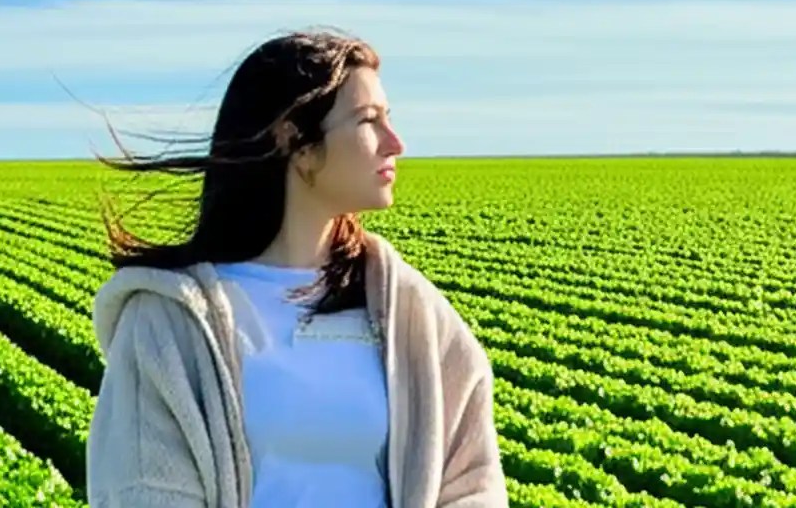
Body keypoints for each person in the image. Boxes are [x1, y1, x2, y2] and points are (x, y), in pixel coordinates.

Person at [84, 28, 508, 507]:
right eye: (369, 120)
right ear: (295, 140)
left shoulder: (411, 312)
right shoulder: (168, 326)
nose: (395, 143)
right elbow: (146, 491)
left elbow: (472, 485)